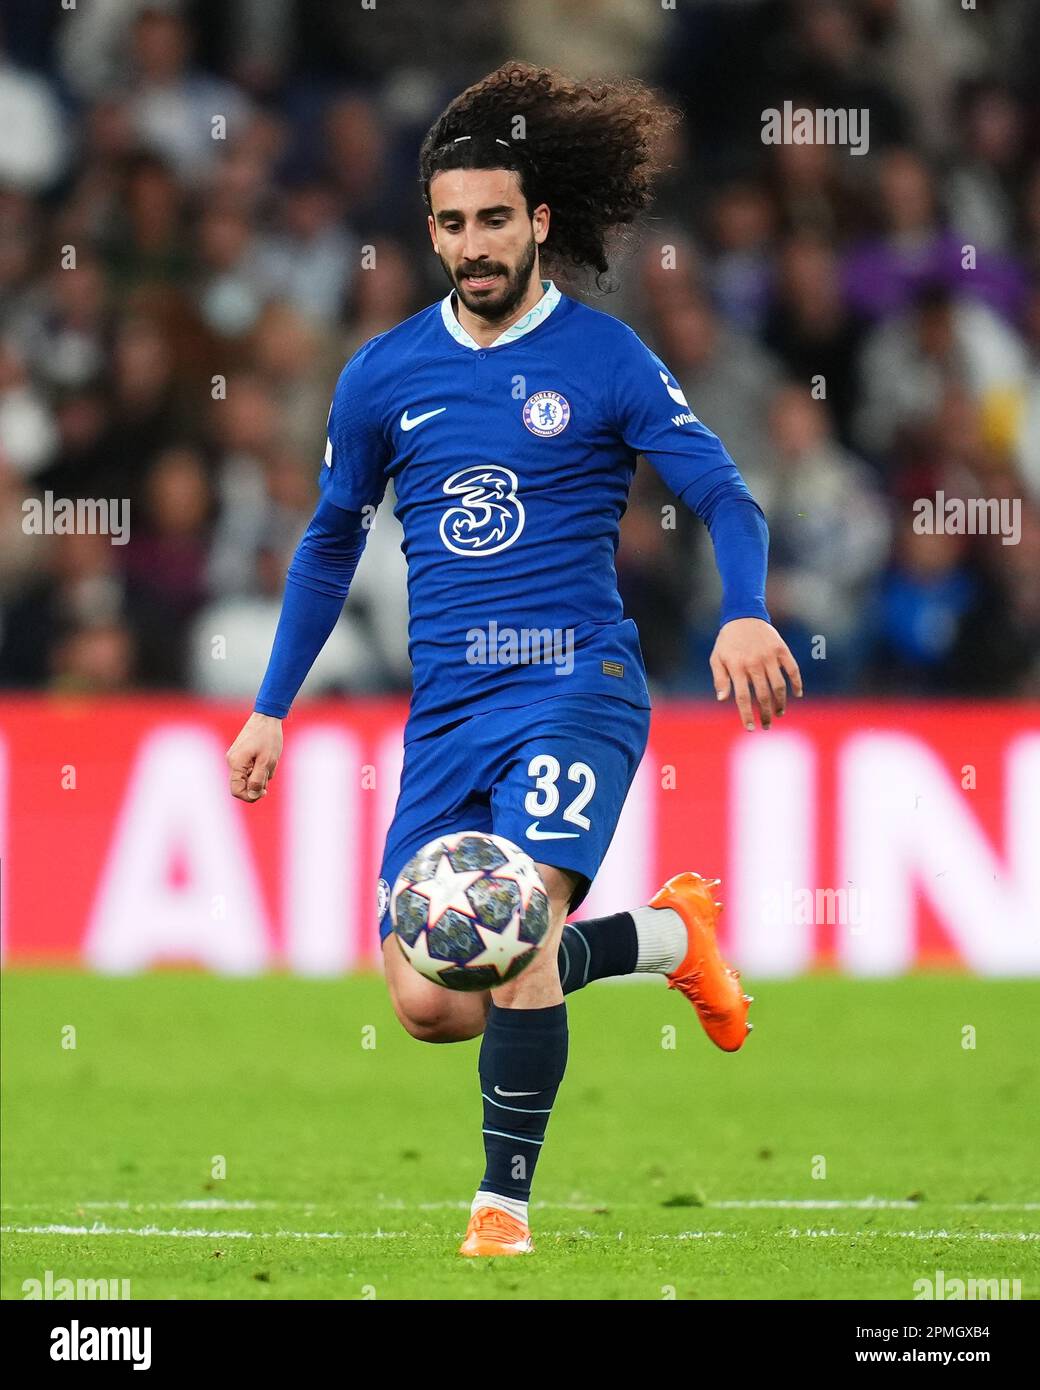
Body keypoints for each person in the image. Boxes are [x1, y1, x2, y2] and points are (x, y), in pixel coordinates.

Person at [225, 62, 802, 1258]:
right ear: (429, 230)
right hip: (446, 714)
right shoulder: (383, 373)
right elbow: (330, 542)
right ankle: (663, 938)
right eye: (452, 223)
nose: (473, 244)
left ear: (538, 220)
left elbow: (723, 494)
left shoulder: (605, 358)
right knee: (431, 1001)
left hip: (574, 685)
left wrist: (743, 609)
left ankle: (502, 1210)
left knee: (512, 923)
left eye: (495, 218)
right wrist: (272, 705)